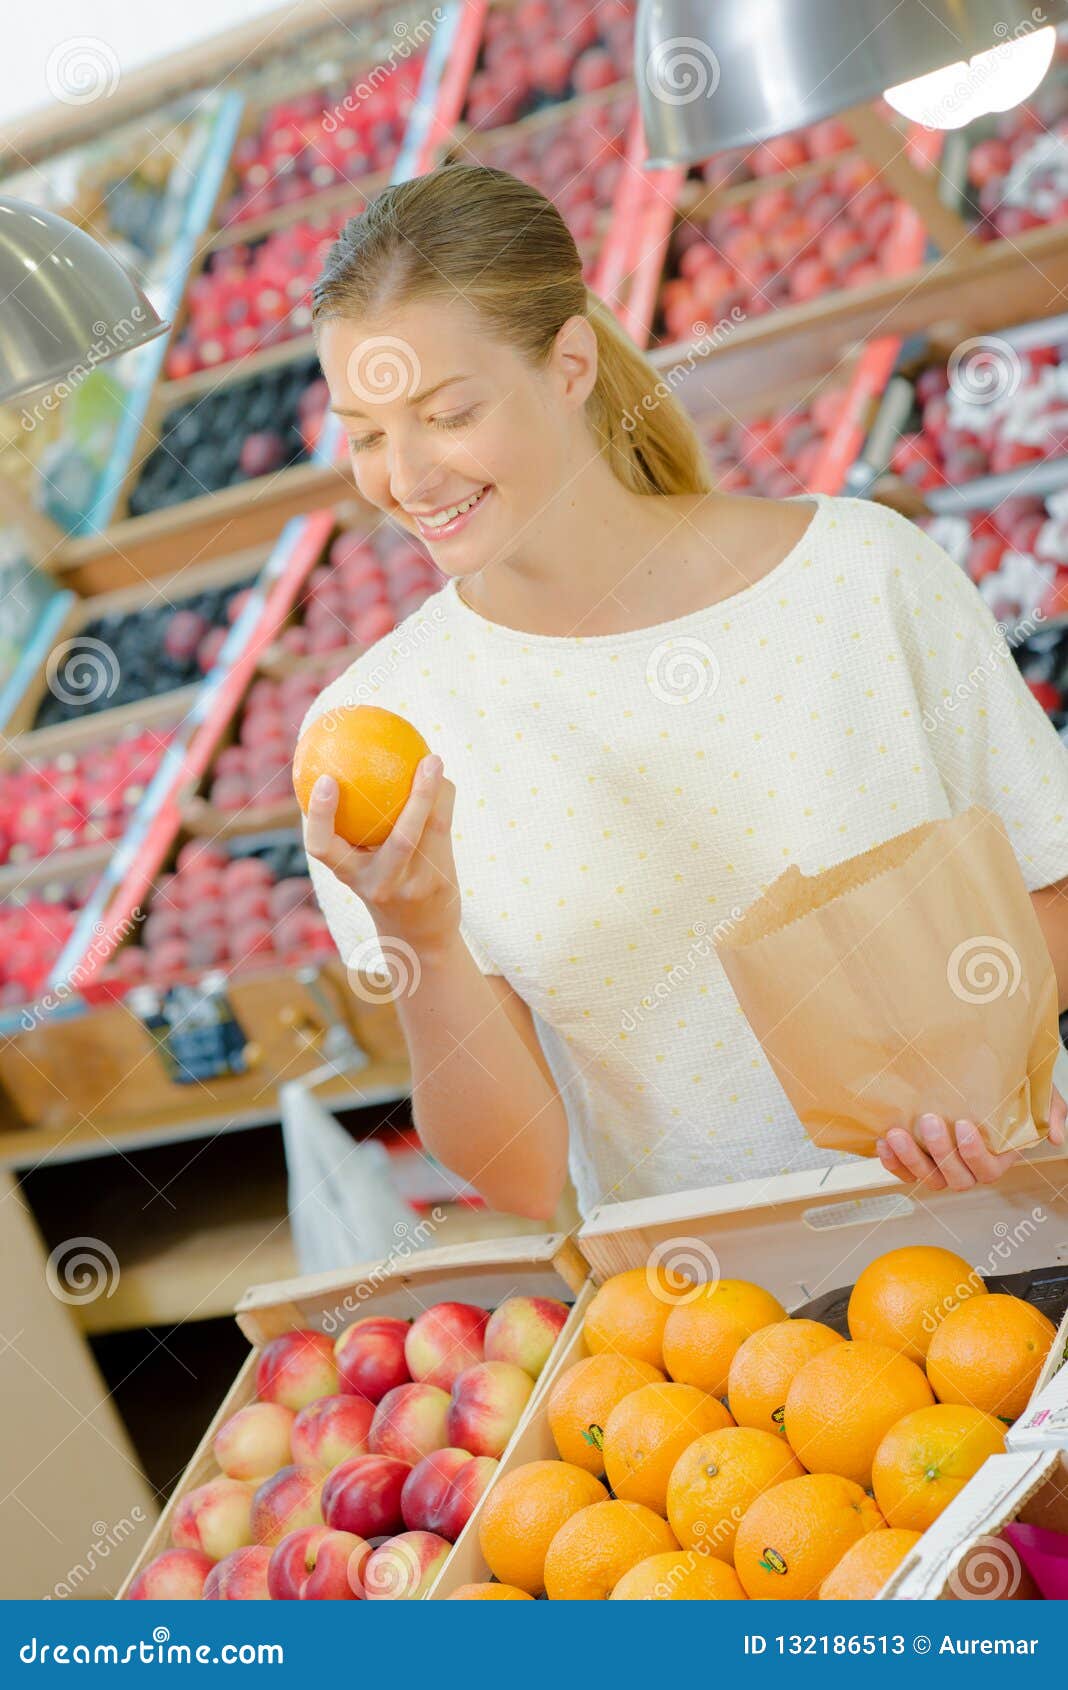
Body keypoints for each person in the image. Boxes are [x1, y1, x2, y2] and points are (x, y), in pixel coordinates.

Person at [299, 162, 1068, 1221]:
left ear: (569, 363)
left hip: (1008, 1224)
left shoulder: (860, 574)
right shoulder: (383, 731)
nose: (409, 474)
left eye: (446, 412)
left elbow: (1049, 871)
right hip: (707, 1330)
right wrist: (420, 936)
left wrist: (973, 1071)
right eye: (368, 433)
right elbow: (521, 1173)